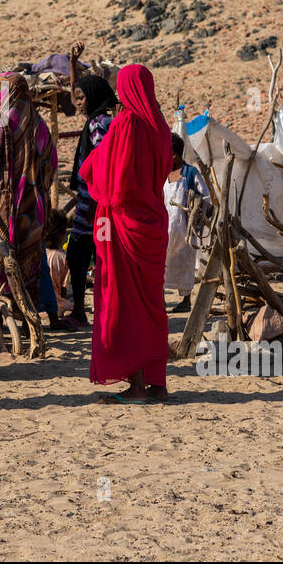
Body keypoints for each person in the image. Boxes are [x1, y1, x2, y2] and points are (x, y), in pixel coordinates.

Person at [81, 64, 175, 403]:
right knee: (152, 307)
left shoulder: (127, 124)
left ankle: (137, 386)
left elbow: (113, 184)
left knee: (125, 304)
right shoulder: (161, 128)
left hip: (123, 226)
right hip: (154, 225)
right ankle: (158, 384)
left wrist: (94, 168)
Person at [0, 72, 57, 313]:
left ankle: (1, 315)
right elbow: (53, 163)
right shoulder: (39, 122)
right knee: (29, 261)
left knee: (0, 257)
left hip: (4, 204)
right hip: (35, 205)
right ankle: (27, 315)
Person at [66, 43, 118, 326]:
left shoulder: (99, 125)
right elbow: (78, 90)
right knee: (93, 254)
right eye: (75, 98)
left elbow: (101, 162)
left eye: (81, 98)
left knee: (85, 253)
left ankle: (84, 312)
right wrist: (73, 64)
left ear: (93, 96)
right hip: (93, 201)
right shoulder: (100, 119)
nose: (76, 102)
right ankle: (93, 312)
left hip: (95, 202)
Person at [164, 132, 208, 313]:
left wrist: (196, 210)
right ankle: (161, 299)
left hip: (186, 229)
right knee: (162, 263)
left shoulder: (190, 173)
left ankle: (186, 300)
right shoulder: (163, 174)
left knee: (186, 262)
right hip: (165, 229)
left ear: (174, 154)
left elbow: (205, 195)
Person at [45, 209, 74, 322]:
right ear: (61, 234)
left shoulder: (40, 254)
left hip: (39, 303)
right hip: (57, 302)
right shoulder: (63, 257)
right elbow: (64, 289)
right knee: (71, 305)